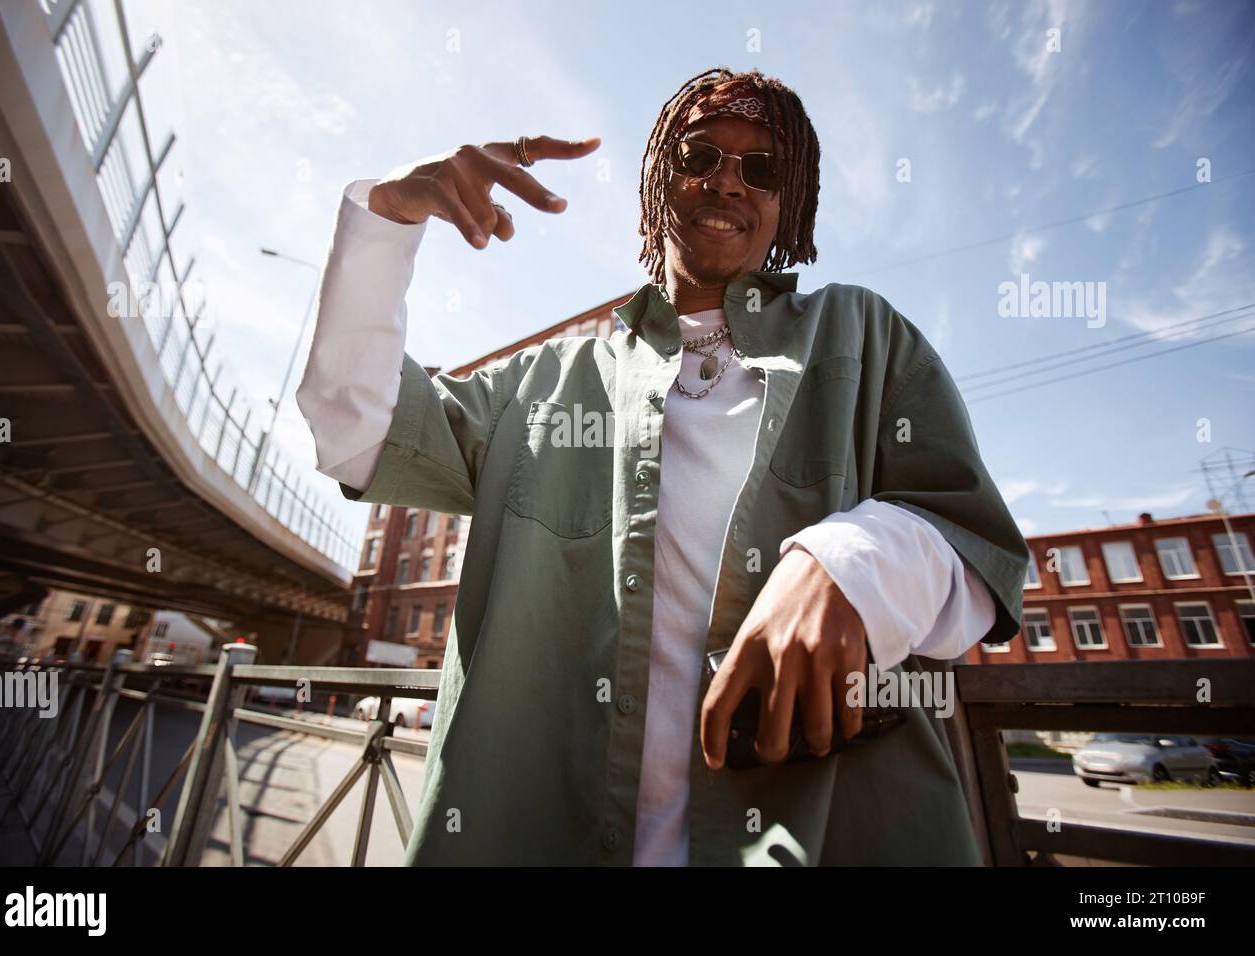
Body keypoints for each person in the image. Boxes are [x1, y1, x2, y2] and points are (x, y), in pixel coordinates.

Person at [296, 67, 1028, 866]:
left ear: (790, 203)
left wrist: (850, 565)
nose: (726, 181)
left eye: (762, 169)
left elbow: (977, 553)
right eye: (699, 153)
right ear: (656, 178)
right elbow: (357, 432)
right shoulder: (548, 381)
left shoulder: (863, 336)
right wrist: (387, 217)